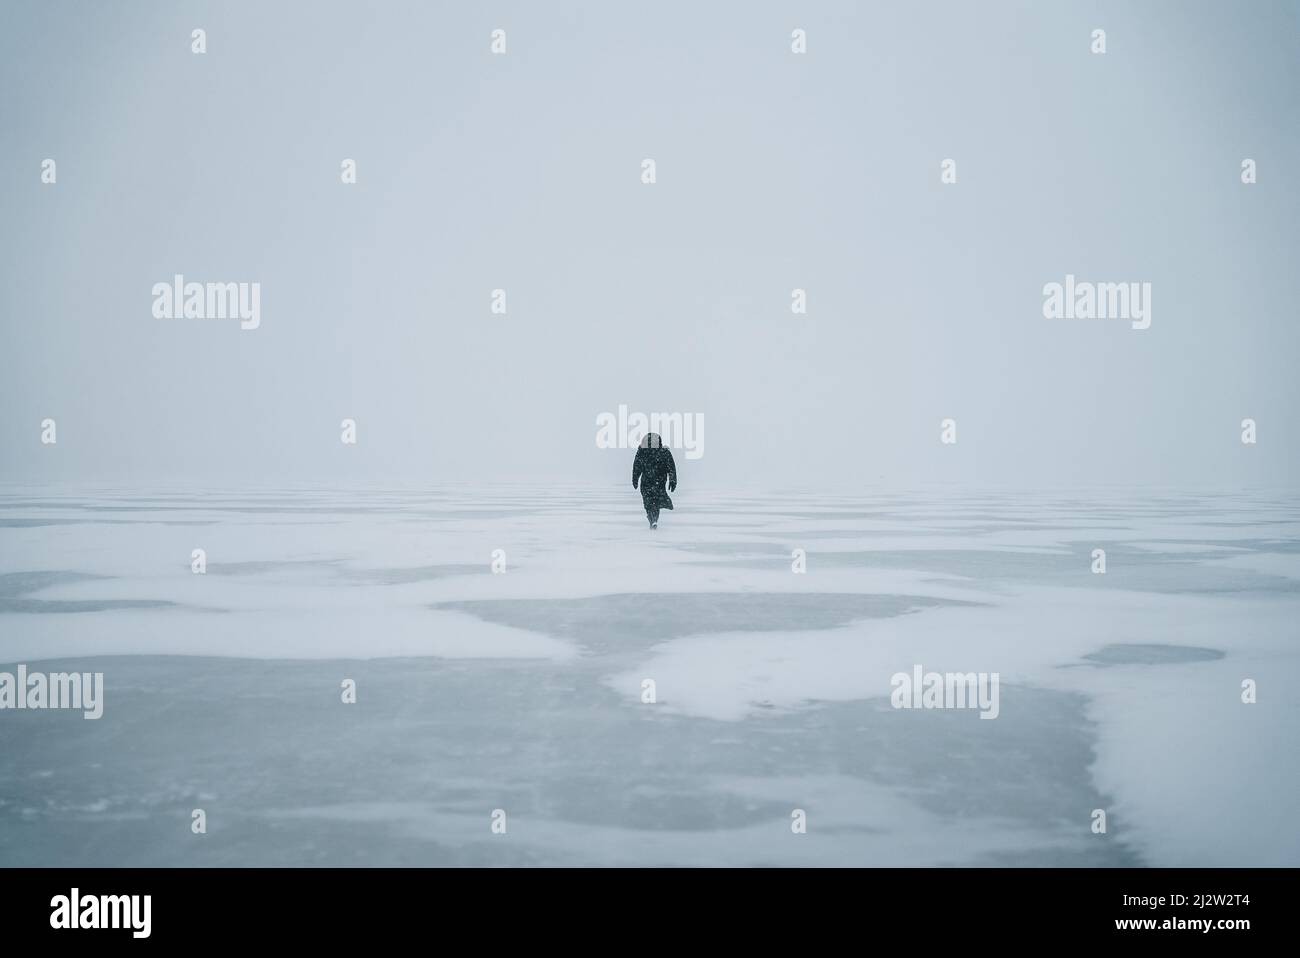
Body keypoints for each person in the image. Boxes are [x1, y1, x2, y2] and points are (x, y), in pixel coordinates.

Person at [632, 433, 677, 529]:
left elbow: (636, 467)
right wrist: (672, 480)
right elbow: (671, 468)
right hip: (659, 482)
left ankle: (652, 520)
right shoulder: (664, 452)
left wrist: (635, 479)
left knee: (648, 502)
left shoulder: (642, 452)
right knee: (655, 502)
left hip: (647, 483)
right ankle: (654, 520)